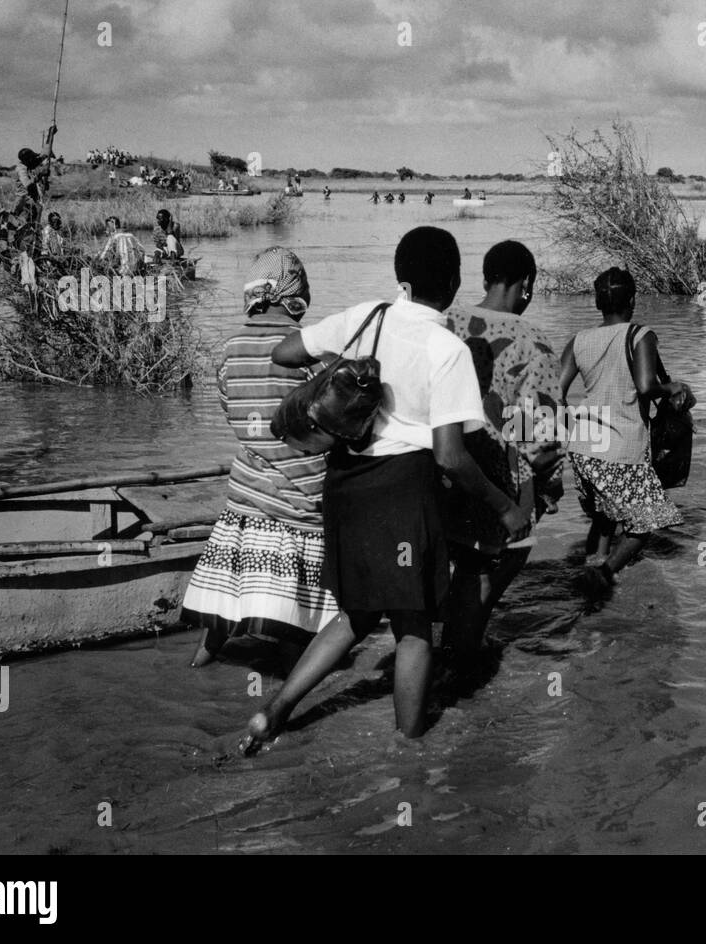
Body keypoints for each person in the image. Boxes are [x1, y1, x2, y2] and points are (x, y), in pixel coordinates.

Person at [241, 226, 527, 747]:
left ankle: (273, 712)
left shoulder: (366, 316)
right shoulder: (448, 349)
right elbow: (450, 456)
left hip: (346, 482)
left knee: (357, 612)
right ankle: (410, 750)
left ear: (401, 279)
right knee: (415, 626)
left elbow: (285, 352)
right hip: (403, 491)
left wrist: (344, 374)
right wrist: (505, 507)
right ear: (456, 282)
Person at [182, 248, 342, 667]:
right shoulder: (308, 352)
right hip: (301, 497)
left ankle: (202, 660)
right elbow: (334, 420)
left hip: (245, 494)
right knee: (299, 625)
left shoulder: (232, 349)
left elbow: (228, 408)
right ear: (293, 294)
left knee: (218, 620)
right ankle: (292, 687)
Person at [440, 240, 564, 656]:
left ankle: (438, 650)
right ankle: (461, 662)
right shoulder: (532, 342)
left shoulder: (445, 321)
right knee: (489, 570)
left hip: (436, 468)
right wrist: (549, 487)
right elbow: (539, 438)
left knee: (455, 561)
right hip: (498, 481)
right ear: (526, 283)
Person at [559, 267, 690, 591]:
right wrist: (673, 387)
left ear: (597, 303)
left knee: (605, 515)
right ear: (632, 299)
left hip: (584, 444)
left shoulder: (579, 340)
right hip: (622, 445)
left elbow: (554, 391)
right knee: (647, 522)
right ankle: (605, 575)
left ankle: (594, 567)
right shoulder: (640, 335)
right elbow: (647, 386)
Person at [11, 123, 57, 221]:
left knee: (35, 218)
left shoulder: (28, 164)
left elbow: (44, 153)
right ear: (27, 160)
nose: (35, 160)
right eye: (32, 159)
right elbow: (27, 184)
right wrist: (40, 175)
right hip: (23, 200)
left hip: (31, 199)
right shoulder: (21, 169)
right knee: (21, 223)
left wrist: (50, 135)